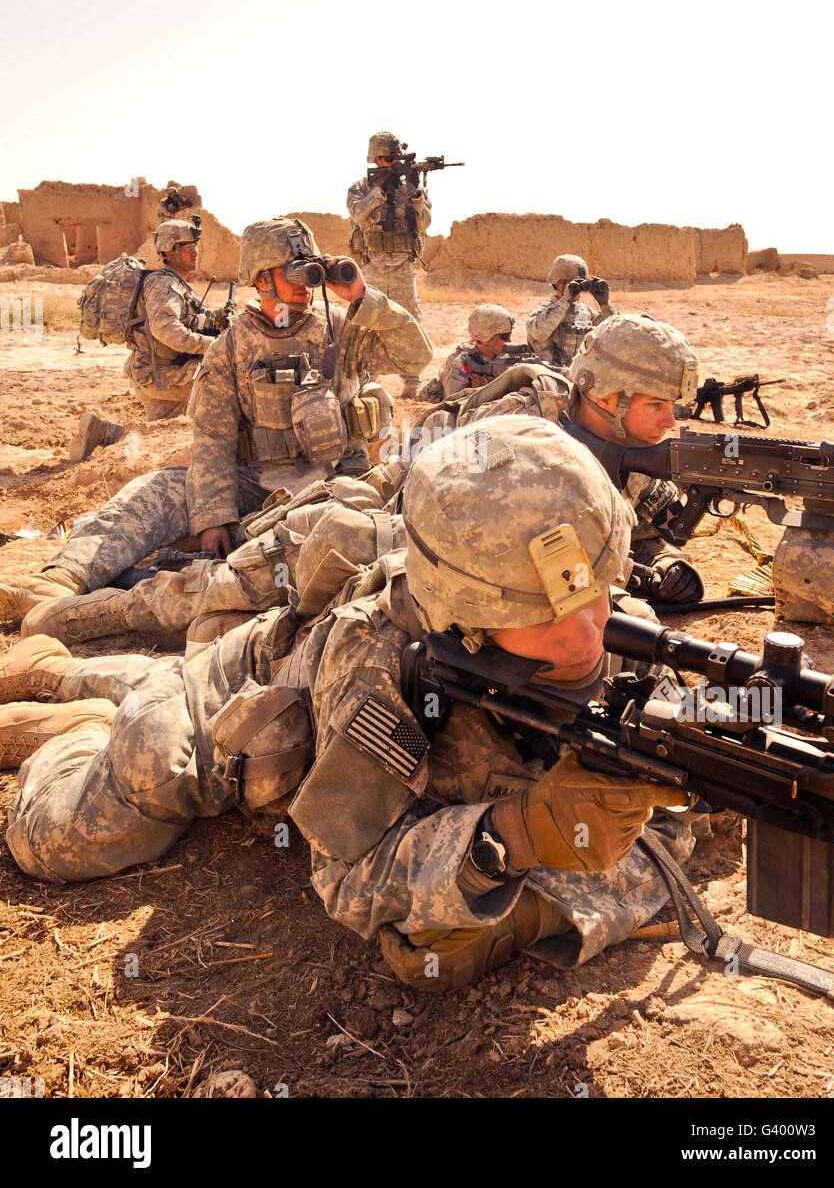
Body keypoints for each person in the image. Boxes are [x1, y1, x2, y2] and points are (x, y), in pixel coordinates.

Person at [1, 416, 693, 998]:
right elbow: (348, 876)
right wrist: (511, 836)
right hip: (214, 717)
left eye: (595, 592)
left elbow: (691, 788)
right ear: (461, 616)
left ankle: (73, 677)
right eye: (538, 616)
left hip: (266, 661)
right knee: (57, 841)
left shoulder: (608, 621)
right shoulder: (381, 662)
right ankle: (70, 708)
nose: (586, 634)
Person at [0, 218, 431, 626]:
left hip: (331, 485)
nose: (306, 284)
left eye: (310, 271)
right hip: (254, 483)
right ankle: (60, 580)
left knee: (321, 536)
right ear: (261, 280)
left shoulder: (341, 329)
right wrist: (213, 517)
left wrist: (361, 295)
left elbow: (417, 355)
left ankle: (159, 599)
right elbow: (213, 439)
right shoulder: (232, 346)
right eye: (293, 272)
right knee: (153, 492)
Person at [414, 313, 704, 603]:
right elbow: (496, 545)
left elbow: (641, 531)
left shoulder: (632, 445)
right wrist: (629, 574)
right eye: (656, 404)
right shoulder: (518, 429)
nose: (670, 422)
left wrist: (666, 565)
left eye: (671, 405)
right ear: (606, 396)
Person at [347, 131, 432, 397]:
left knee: (409, 320)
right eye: (385, 159)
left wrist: (416, 194)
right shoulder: (361, 188)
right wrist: (381, 190)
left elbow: (425, 222)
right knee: (368, 321)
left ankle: (411, 383)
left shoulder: (409, 188)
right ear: (374, 159)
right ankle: (366, 381)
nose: (390, 163)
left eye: (393, 158)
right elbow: (358, 214)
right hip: (371, 264)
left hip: (402, 267)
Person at [125, 218, 224, 421]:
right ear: (170, 251)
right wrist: (212, 345)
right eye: (189, 248)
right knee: (225, 375)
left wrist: (221, 318)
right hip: (161, 374)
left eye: (196, 246)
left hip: (157, 371)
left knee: (162, 433)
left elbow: (197, 317)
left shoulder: (178, 284)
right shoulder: (164, 284)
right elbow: (166, 330)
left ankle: (105, 432)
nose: (196, 252)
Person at [526, 255, 616, 368]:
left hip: (579, 375)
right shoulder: (543, 311)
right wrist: (565, 301)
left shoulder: (585, 312)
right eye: (574, 284)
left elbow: (613, 333)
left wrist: (605, 305)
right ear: (559, 283)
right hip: (549, 375)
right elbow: (539, 333)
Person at [418, 304, 515, 403]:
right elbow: (454, 404)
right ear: (486, 338)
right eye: (505, 336)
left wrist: (488, 384)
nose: (510, 340)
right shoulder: (464, 364)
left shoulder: (508, 357)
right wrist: (484, 390)